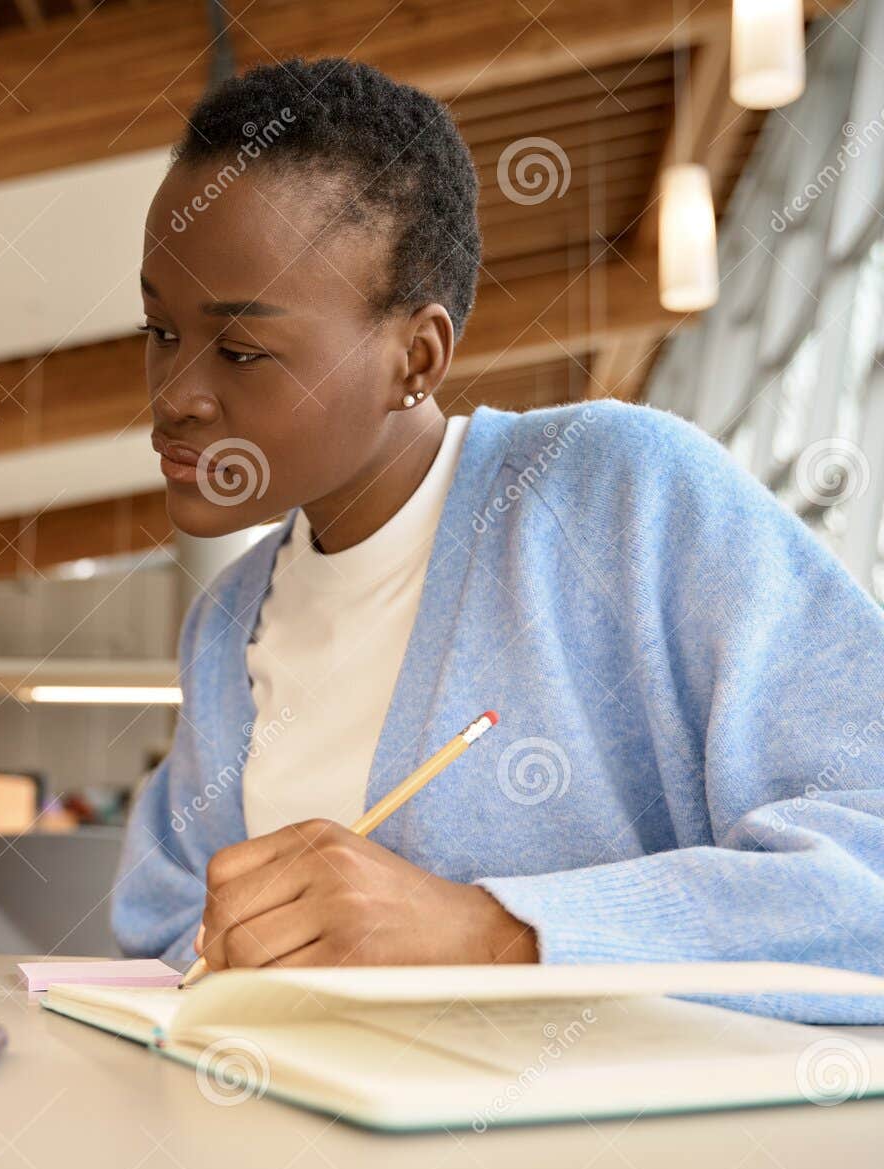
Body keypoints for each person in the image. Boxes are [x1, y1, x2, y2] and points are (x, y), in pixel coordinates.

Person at [110, 57, 884, 1022]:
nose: (176, 394)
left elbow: (867, 868)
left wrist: (490, 931)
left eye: (240, 350)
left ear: (416, 357)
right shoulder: (229, 622)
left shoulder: (620, 495)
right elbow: (165, 919)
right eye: (159, 330)